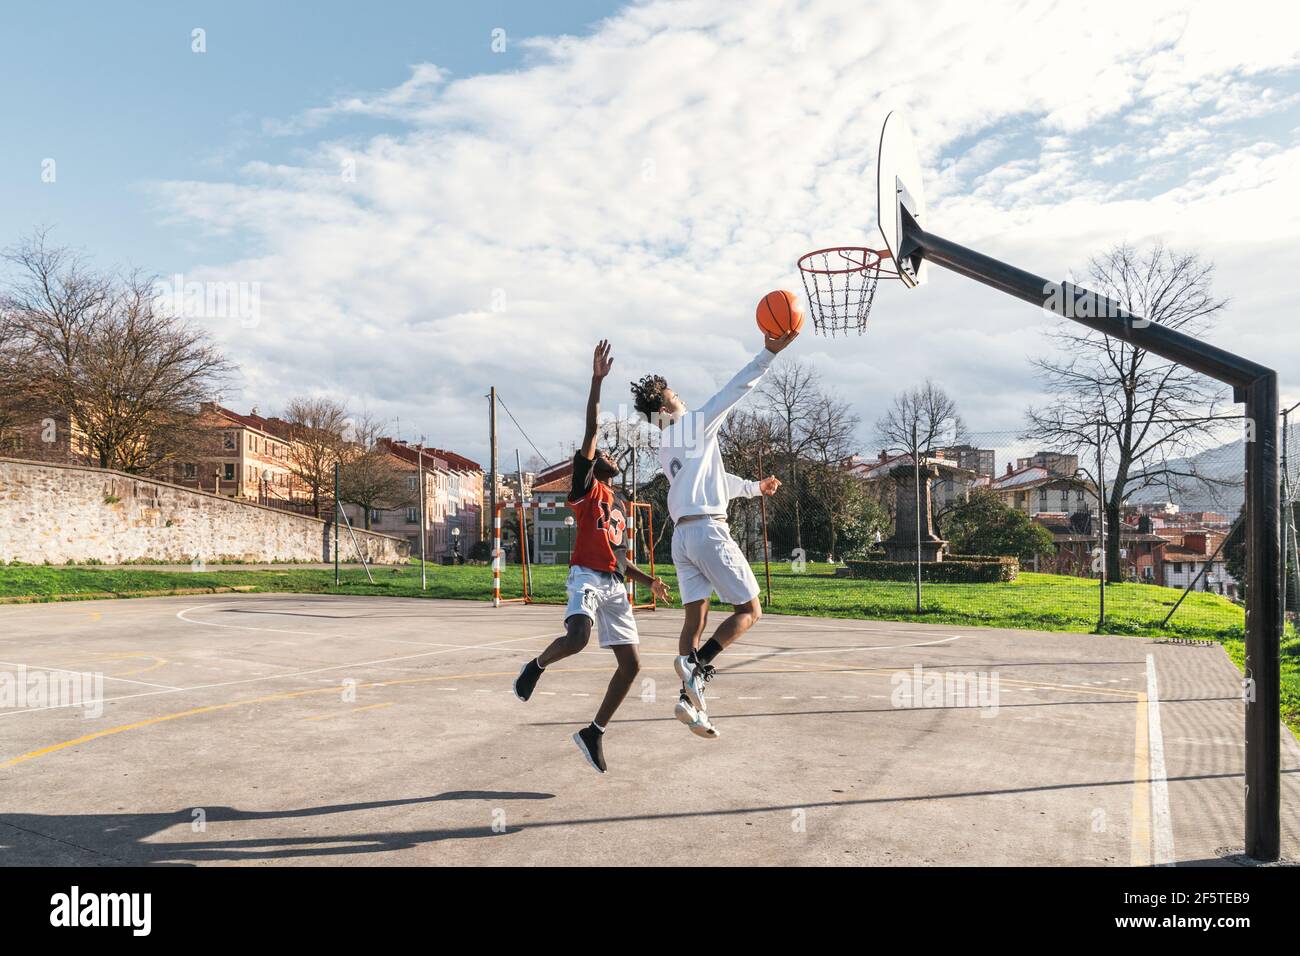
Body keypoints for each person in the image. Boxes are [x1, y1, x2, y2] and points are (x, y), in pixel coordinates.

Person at [629, 328, 797, 735]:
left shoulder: (668, 445)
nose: (682, 398)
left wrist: (755, 488)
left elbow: (716, 482)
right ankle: (696, 667)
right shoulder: (694, 424)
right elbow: (733, 389)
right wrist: (769, 352)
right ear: (668, 408)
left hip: (683, 539)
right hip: (707, 531)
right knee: (750, 610)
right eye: (675, 396)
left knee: (695, 619)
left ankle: (690, 700)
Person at [513, 340, 670, 773]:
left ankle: (594, 732)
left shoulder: (619, 503)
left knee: (632, 664)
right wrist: (596, 381)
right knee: (579, 637)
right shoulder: (586, 488)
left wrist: (648, 581)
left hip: (615, 583)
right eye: (605, 453)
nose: (610, 454)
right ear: (592, 462)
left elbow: (621, 560)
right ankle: (536, 665)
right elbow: (591, 430)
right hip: (585, 576)